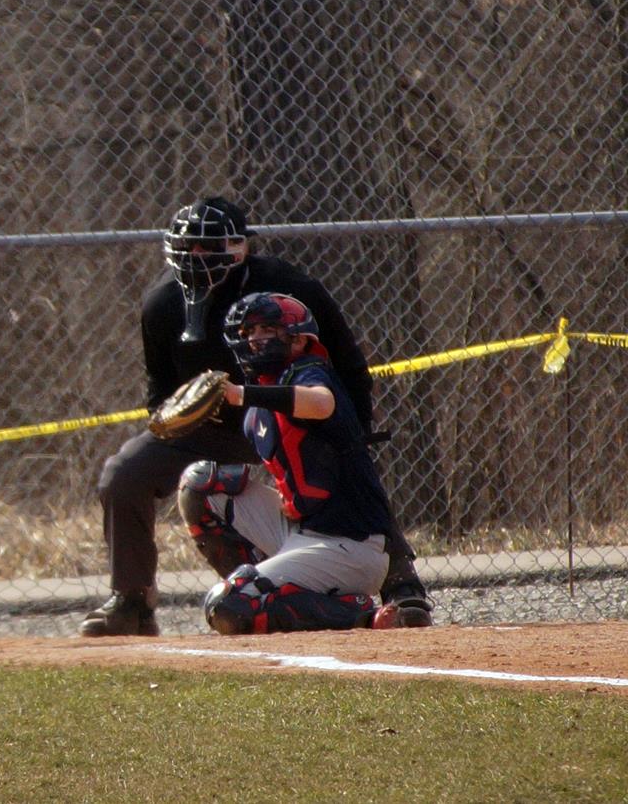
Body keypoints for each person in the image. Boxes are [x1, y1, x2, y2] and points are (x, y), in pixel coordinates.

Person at [79, 196, 431, 636]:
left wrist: (351, 434)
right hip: (212, 426)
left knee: (349, 472)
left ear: (241, 246)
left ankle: (400, 585)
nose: (196, 258)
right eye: (187, 248)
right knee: (126, 473)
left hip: (288, 411)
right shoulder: (162, 304)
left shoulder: (287, 286)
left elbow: (345, 366)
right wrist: (178, 416)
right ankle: (137, 600)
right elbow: (160, 393)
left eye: (208, 248)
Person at [188, 292, 422, 632]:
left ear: (299, 339)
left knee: (229, 606)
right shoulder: (258, 403)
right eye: (248, 333)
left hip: (350, 547)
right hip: (302, 531)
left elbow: (322, 404)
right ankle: (272, 585)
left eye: (267, 329)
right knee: (202, 484)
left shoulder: (309, 372)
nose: (255, 339)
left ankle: (356, 614)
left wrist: (243, 394)